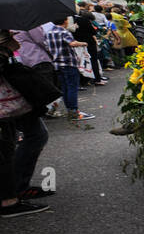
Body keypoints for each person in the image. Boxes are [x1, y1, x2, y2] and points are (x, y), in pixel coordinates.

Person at [0, 32, 50, 218]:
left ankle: (17, 188)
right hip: (6, 103)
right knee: (6, 147)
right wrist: (5, 49)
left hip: (11, 99)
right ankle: (8, 200)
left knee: (32, 136)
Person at [43, 17, 93, 122]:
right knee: (72, 87)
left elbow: (46, 47)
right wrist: (83, 43)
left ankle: (69, 110)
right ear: (65, 21)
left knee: (65, 88)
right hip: (68, 63)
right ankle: (73, 111)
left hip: (56, 64)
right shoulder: (63, 31)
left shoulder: (48, 33)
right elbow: (72, 43)